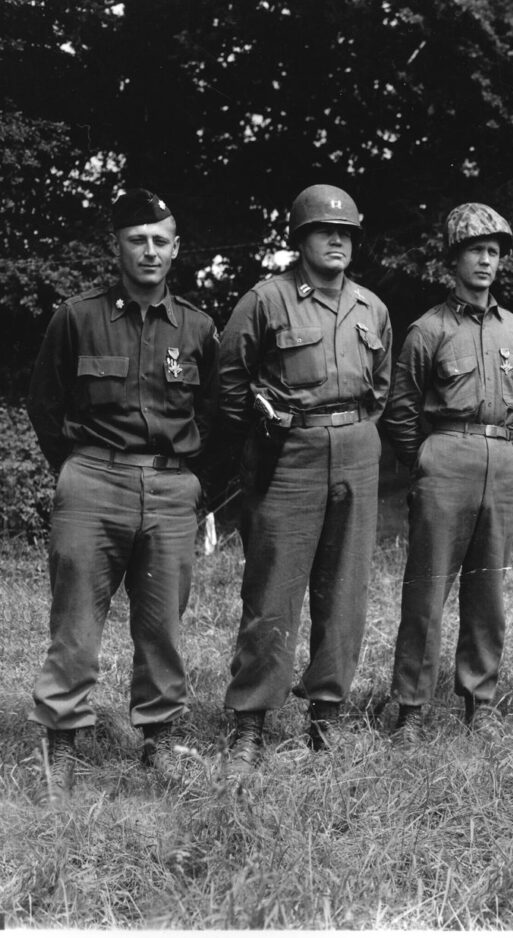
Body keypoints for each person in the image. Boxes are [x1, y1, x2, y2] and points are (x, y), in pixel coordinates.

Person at [27, 188, 219, 802]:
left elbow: (216, 414)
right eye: (137, 239)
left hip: (170, 487)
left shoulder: (196, 326)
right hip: (92, 481)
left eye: (161, 240)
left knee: (163, 621)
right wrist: (77, 470)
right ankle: (61, 741)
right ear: (117, 246)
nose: (149, 250)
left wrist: (193, 483)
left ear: (177, 248)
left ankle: (159, 737)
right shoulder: (76, 317)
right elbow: (45, 402)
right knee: (77, 617)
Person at [218, 184, 392, 773]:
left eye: (347, 233)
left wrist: (352, 432)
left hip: (356, 447)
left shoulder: (373, 308)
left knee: (345, 589)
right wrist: (266, 437)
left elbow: (382, 388)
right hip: (288, 452)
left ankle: (326, 715)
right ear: (300, 240)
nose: (338, 240)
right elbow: (230, 385)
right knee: (273, 590)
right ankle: (251, 723)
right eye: (325, 231)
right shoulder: (266, 301)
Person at [383, 203, 513, 743]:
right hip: (445, 457)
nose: (487, 261)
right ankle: (411, 710)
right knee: (427, 592)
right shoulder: (429, 329)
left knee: (488, 592)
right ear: (454, 259)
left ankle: (480, 704)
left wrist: (498, 447)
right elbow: (401, 409)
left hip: (499, 460)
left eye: (494, 252)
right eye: (476, 250)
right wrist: (426, 459)